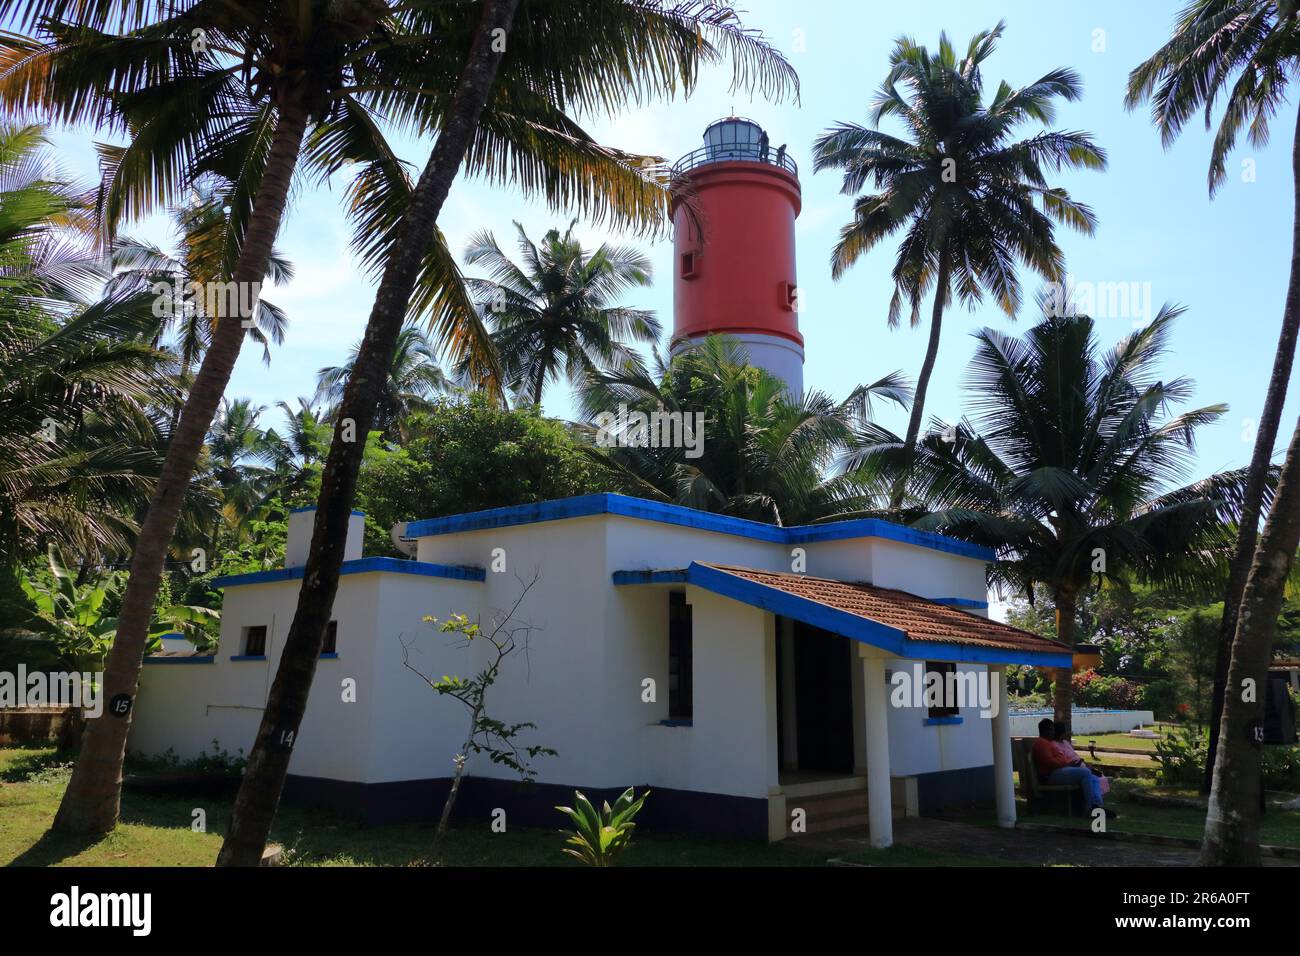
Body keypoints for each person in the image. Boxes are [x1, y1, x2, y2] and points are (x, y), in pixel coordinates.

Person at [1030, 718, 1113, 818]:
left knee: (1090, 776)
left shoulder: (1046, 743)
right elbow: (1050, 762)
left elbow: (1056, 760)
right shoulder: (1042, 744)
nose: (1053, 732)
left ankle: (1096, 806)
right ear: (1045, 731)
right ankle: (1090, 808)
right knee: (1085, 772)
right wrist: (1063, 762)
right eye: (1051, 730)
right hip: (1052, 775)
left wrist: (1063, 761)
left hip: (1058, 771)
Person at [1052, 721, 1111, 797]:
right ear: (1061, 732)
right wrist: (1079, 764)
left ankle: (1097, 801)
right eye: (1065, 731)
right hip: (1073, 767)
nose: (1067, 733)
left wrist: (1085, 764)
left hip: (1080, 764)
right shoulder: (1054, 745)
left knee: (1098, 777)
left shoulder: (1065, 742)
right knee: (1093, 778)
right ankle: (1095, 803)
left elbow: (1075, 756)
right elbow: (1064, 761)